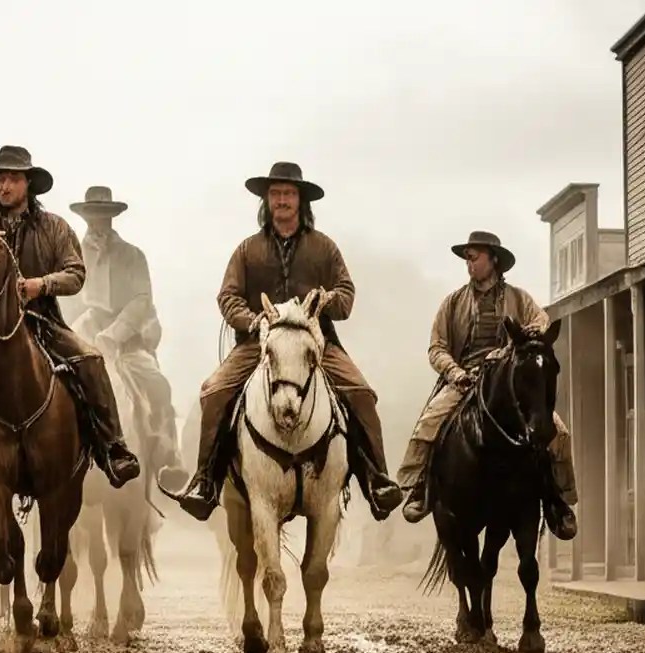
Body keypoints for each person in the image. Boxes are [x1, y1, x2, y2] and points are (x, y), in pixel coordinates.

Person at [160, 162, 404, 522]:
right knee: (213, 392)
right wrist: (250, 320)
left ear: (301, 201)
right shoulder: (247, 249)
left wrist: (327, 300)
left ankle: (377, 480)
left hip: (315, 344)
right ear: (267, 201)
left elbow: (346, 295)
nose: (282, 200)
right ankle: (205, 482)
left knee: (362, 394)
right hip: (258, 344)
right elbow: (228, 296)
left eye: (288, 194)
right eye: (275, 194)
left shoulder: (324, 248)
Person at [0, 145, 141, 501]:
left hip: (42, 321)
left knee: (91, 359)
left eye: (13, 178)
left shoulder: (55, 227)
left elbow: (75, 274)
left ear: (28, 184)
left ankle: (113, 448)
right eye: (0, 178)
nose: (4, 186)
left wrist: (40, 285)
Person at [397, 231, 578, 539]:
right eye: (467, 258)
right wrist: (454, 372)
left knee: (558, 432)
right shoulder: (453, 303)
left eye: (475, 257)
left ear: (494, 260)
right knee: (428, 423)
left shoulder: (519, 298)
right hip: (465, 378)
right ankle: (419, 488)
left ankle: (558, 500)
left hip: (508, 380)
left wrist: (517, 343)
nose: (469, 264)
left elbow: (542, 323)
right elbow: (436, 347)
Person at [62, 186, 186, 489]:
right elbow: (67, 301)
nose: (97, 221)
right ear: (85, 217)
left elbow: (142, 299)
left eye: (103, 215)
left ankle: (169, 456)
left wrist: (114, 335)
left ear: (112, 217)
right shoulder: (70, 257)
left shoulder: (132, 256)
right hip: (82, 338)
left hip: (126, 341)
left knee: (157, 384)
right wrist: (76, 331)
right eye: (92, 215)